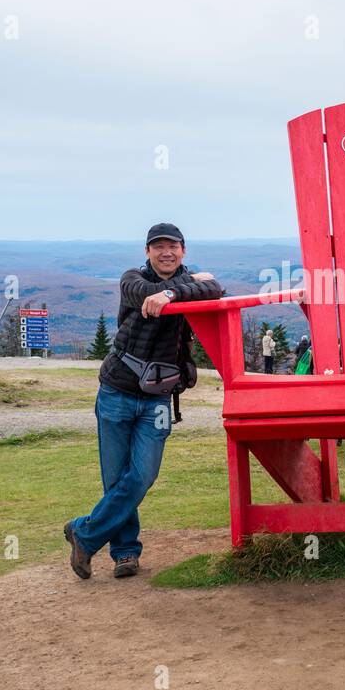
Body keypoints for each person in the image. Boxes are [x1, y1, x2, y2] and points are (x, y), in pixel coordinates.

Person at [64, 223, 223, 580]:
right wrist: (181, 289)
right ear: (147, 251)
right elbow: (145, 292)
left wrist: (170, 295)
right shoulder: (132, 279)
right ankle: (124, 553)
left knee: (142, 476)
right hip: (116, 391)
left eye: (173, 246)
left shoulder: (191, 283)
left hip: (157, 399)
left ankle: (83, 532)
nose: (166, 252)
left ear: (183, 250)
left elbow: (214, 287)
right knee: (116, 477)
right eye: (158, 247)